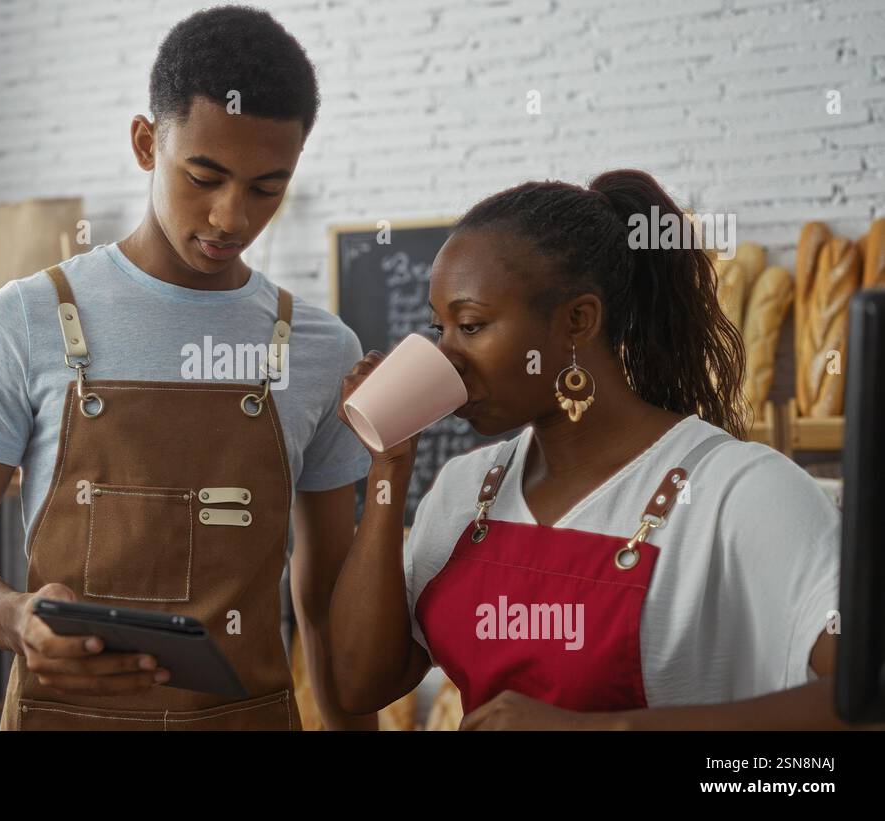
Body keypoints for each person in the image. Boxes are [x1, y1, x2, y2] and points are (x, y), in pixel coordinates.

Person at [0, 6, 374, 730]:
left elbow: (322, 603)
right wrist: (13, 617)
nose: (230, 217)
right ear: (143, 142)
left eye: (266, 188)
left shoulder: (321, 349)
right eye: (205, 176)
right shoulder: (23, 320)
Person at [329, 169, 856, 729]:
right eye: (441, 330)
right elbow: (363, 682)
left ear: (578, 321)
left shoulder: (739, 490)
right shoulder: (464, 491)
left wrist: (606, 729)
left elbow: (866, 699)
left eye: (473, 325)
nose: (447, 356)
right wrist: (388, 468)